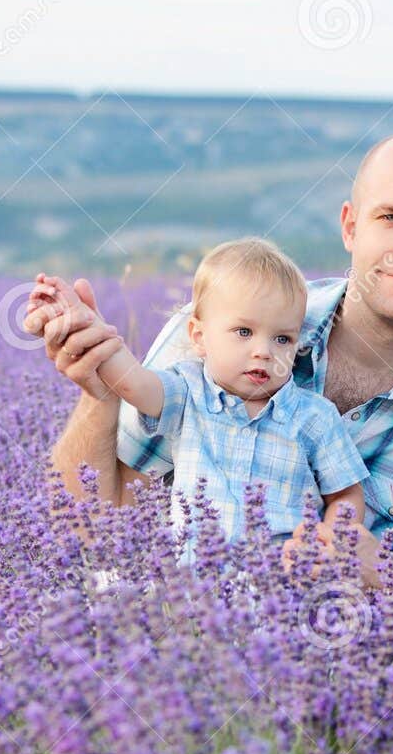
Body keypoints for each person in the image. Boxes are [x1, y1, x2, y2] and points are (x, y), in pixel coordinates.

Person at [24, 130, 393, 615]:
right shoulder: (219, 332)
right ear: (350, 227)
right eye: (391, 217)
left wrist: (379, 576)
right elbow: (86, 536)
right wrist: (99, 391)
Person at [29, 238, 366, 560]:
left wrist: (332, 540)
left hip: (279, 590)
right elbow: (133, 383)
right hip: (197, 585)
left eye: (282, 338)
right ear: (200, 337)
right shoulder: (189, 392)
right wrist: (91, 332)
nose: (263, 351)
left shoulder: (314, 417)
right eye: (244, 333)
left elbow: (345, 492)